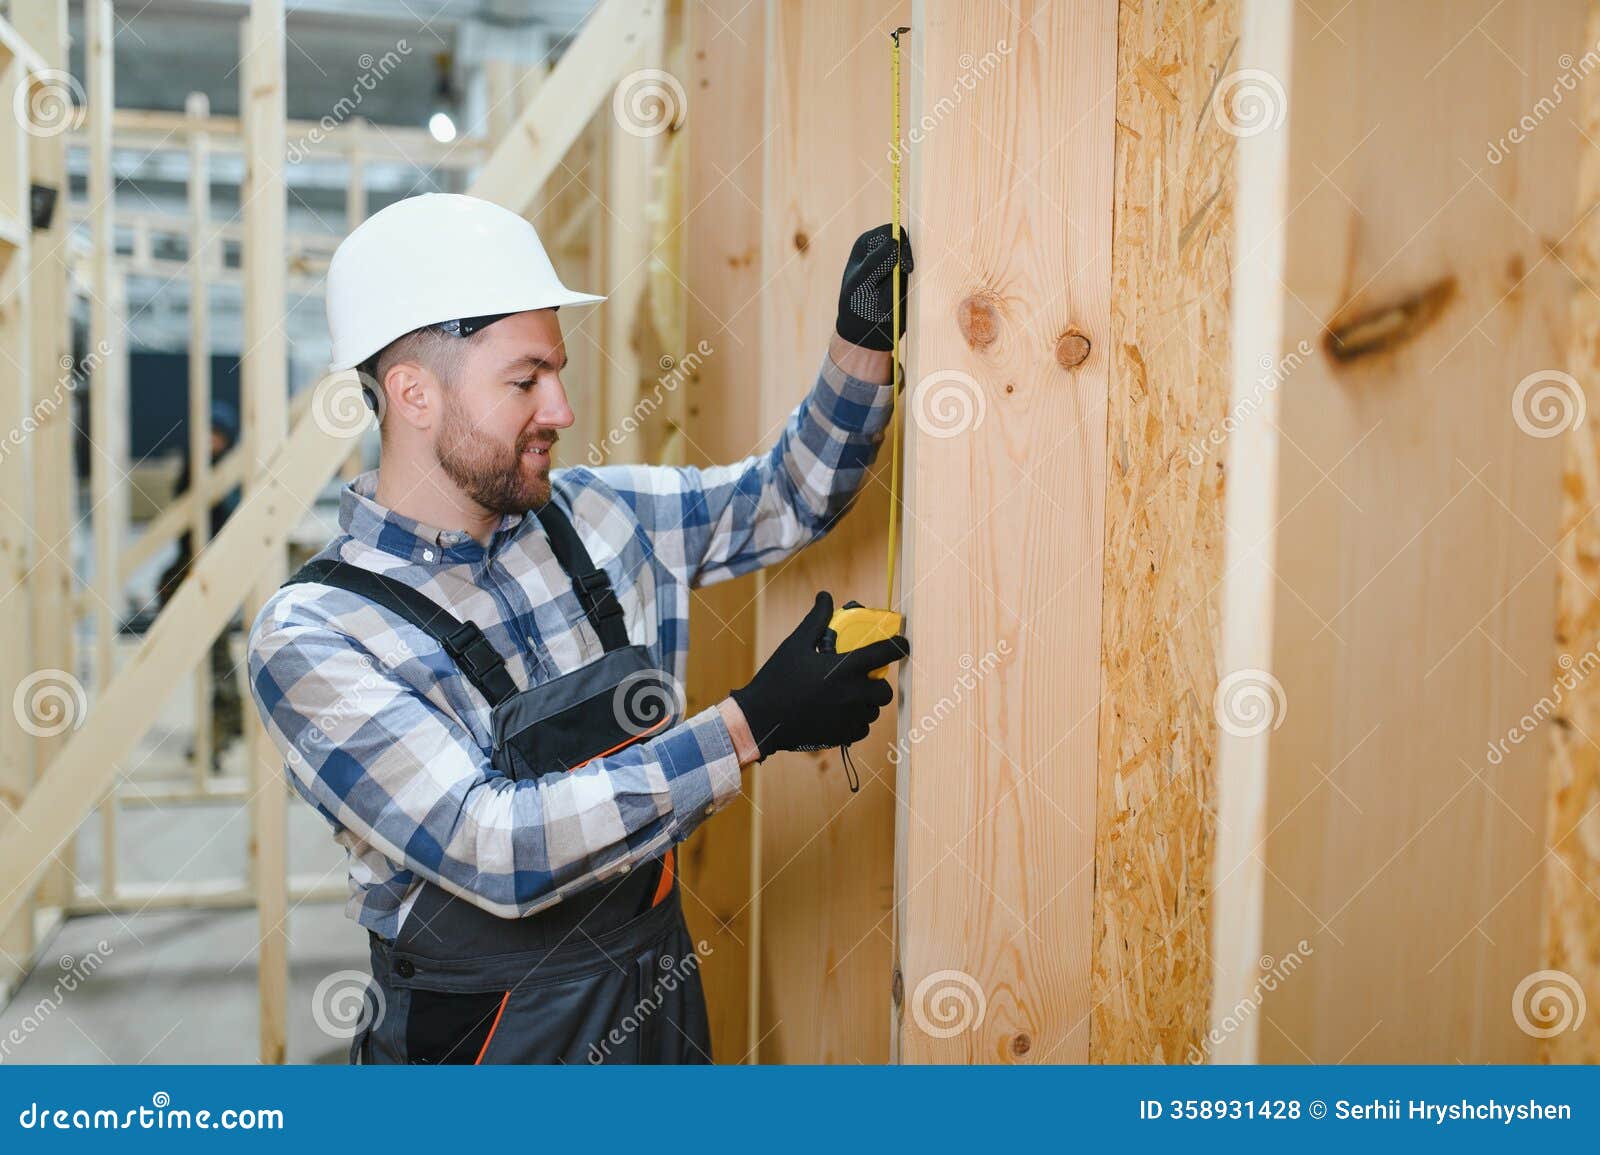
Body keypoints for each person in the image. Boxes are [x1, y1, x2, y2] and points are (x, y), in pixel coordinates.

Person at [247, 193, 912, 1065]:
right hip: (487, 1043)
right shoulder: (319, 634)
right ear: (411, 393)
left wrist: (859, 347)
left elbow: (787, 496)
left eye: (555, 371)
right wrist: (751, 724)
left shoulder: (596, 516)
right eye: (525, 380)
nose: (559, 408)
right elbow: (497, 847)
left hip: (655, 982)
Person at [158, 399, 244, 769]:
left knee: (218, 662)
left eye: (218, 436)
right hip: (190, 577)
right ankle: (226, 727)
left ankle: (220, 736)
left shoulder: (228, 476)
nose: (211, 441)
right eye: (206, 434)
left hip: (215, 579)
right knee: (210, 661)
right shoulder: (194, 472)